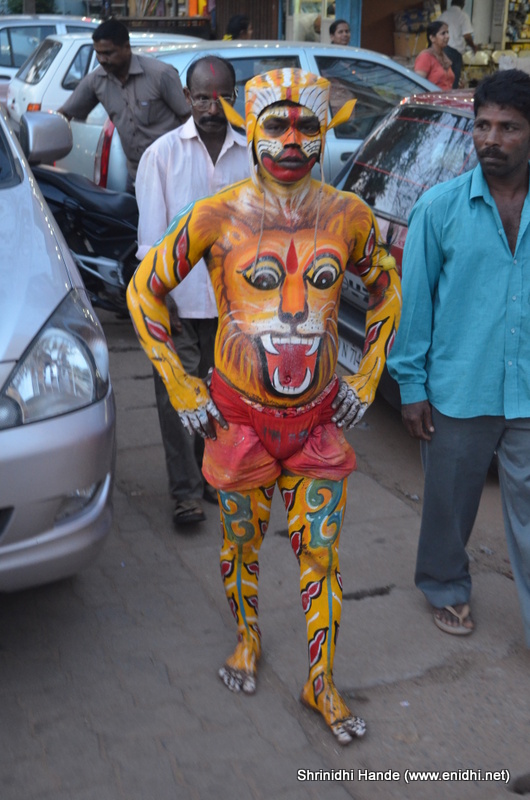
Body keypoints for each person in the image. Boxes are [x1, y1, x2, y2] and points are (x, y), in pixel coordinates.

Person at [127, 67, 401, 744]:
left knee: (322, 557)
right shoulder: (216, 216)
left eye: (307, 124)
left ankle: (322, 681)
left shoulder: (349, 216)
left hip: (316, 425)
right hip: (238, 420)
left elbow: (388, 287)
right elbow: (143, 292)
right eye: (275, 124)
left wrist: (367, 378)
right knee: (240, 548)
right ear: (250, 130)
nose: (291, 139)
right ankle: (247, 639)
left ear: (325, 130)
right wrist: (181, 383)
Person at [387, 69, 530, 645]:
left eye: (510, 128)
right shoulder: (439, 208)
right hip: (457, 388)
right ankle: (445, 584)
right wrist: (412, 388)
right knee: (448, 505)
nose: (491, 139)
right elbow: (414, 307)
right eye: (483, 126)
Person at [135, 55, 248, 527]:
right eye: (201, 96)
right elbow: (151, 243)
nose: (211, 106)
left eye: (220, 97)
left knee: (222, 396)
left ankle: (209, 476)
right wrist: (163, 301)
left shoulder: (252, 155)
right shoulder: (161, 155)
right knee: (177, 397)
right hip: (178, 303)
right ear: (187, 97)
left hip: (233, 308)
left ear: (234, 98)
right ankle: (183, 492)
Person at [58, 20, 189, 190]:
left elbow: (189, 119)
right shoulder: (96, 81)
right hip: (137, 176)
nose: (102, 60)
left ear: (126, 48)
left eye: (108, 53)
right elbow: (63, 115)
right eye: (98, 53)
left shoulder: (161, 74)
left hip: (174, 174)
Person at [440, 0, 477, 89]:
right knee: (453, 80)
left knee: (443, 79)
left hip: (441, 50)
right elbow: (467, 36)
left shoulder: (443, 15)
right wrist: (473, 46)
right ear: (463, 4)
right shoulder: (463, 16)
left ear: (451, 3)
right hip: (454, 52)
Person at [414, 20, 455, 92]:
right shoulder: (425, 57)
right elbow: (417, 86)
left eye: (447, 32)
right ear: (432, 38)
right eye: (443, 33)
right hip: (432, 101)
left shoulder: (444, 57)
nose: (447, 36)